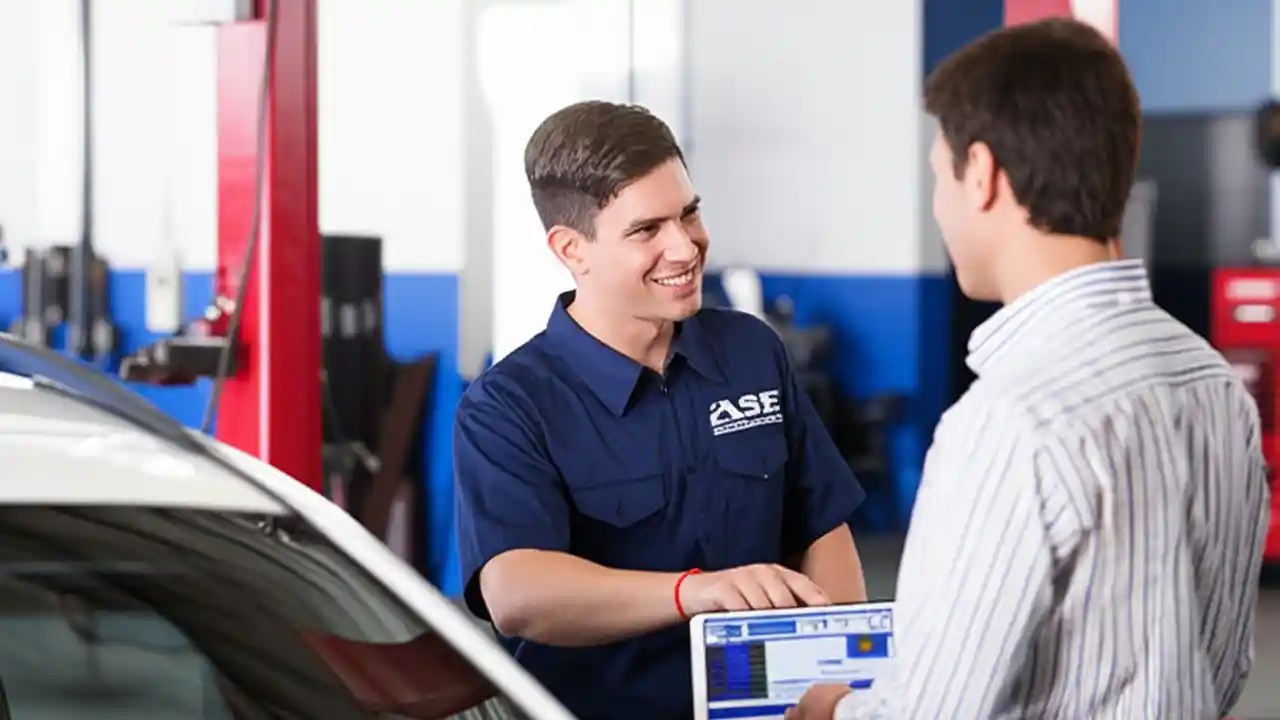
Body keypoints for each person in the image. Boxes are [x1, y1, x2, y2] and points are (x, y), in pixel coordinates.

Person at [788, 18, 1271, 720]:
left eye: (939, 176)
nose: (940, 205)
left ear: (980, 174)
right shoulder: (1212, 385)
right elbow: (1220, 670)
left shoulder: (1010, 422)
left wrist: (829, 711)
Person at [453, 100, 870, 720]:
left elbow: (821, 525)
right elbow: (517, 593)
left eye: (690, 213)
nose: (685, 247)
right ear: (572, 248)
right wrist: (693, 593)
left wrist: (835, 678)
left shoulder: (752, 352)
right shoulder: (508, 406)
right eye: (646, 230)